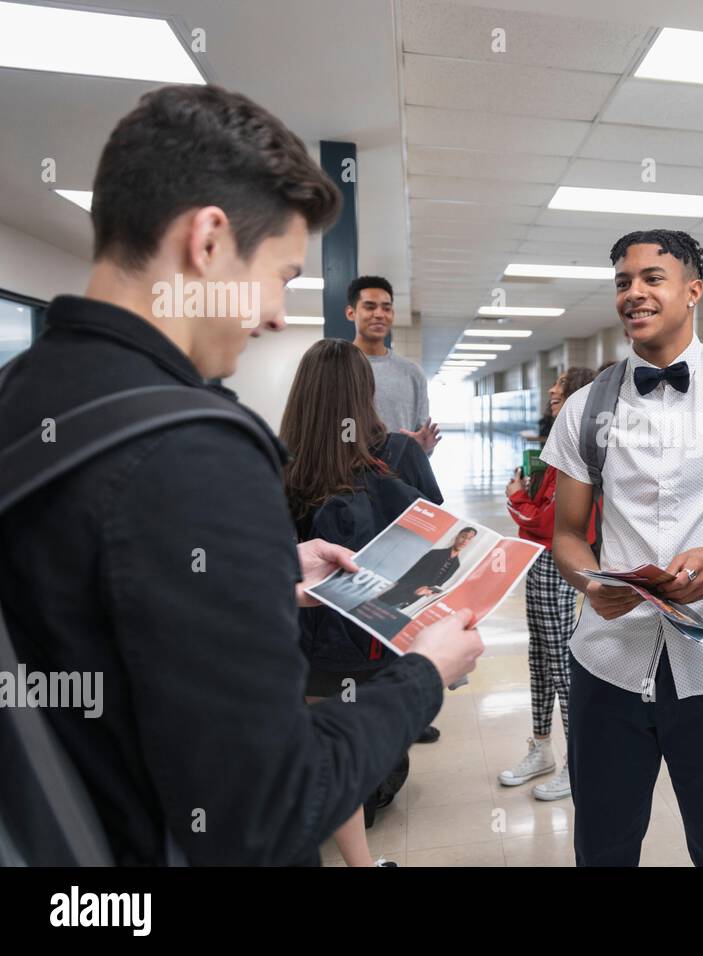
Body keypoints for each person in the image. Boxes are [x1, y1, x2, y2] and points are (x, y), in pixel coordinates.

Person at [0, 84, 482, 865]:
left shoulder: (26, 393)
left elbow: (83, 597)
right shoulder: (197, 447)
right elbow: (273, 805)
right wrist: (424, 674)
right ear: (210, 241)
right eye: (282, 277)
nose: (270, 317)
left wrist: (250, 574)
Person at [544, 229, 703, 866]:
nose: (634, 293)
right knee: (602, 849)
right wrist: (589, 582)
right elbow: (568, 534)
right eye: (623, 283)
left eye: (652, 279)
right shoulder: (587, 405)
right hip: (608, 665)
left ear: (692, 291)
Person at [280, 338, 445, 865]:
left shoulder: (278, 461)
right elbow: (433, 538)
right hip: (375, 632)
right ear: (366, 389)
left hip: (300, 635)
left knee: (319, 743)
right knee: (367, 758)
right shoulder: (398, 452)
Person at [498, 366, 597, 800]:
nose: (551, 397)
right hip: (538, 564)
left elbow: (547, 522)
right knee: (539, 657)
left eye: (559, 392)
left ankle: (580, 763)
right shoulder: (555, 449)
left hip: (559, 565)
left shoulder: (577, 450)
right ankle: (541, 748)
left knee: (561, 662)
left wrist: (515, 497)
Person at [347, 274, 441, 456]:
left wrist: (425, 448)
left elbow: (420, 438)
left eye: (386, 308)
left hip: (400, 479)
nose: (379, 314)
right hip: (349, 480)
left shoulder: (412, 373)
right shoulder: (336, 368)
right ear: (351, 313)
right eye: (370, 307)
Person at [381, 527, 479, 610]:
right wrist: (414, 587)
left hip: (417, 596)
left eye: (469, 539)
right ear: (457, 536)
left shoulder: (456, 564)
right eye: (463, 536)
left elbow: (439, 585)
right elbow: (413, 571)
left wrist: (429, 591)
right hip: (404, 589)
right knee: (379, 606)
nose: (465, 541)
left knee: (391, 615)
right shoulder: (435, 553)